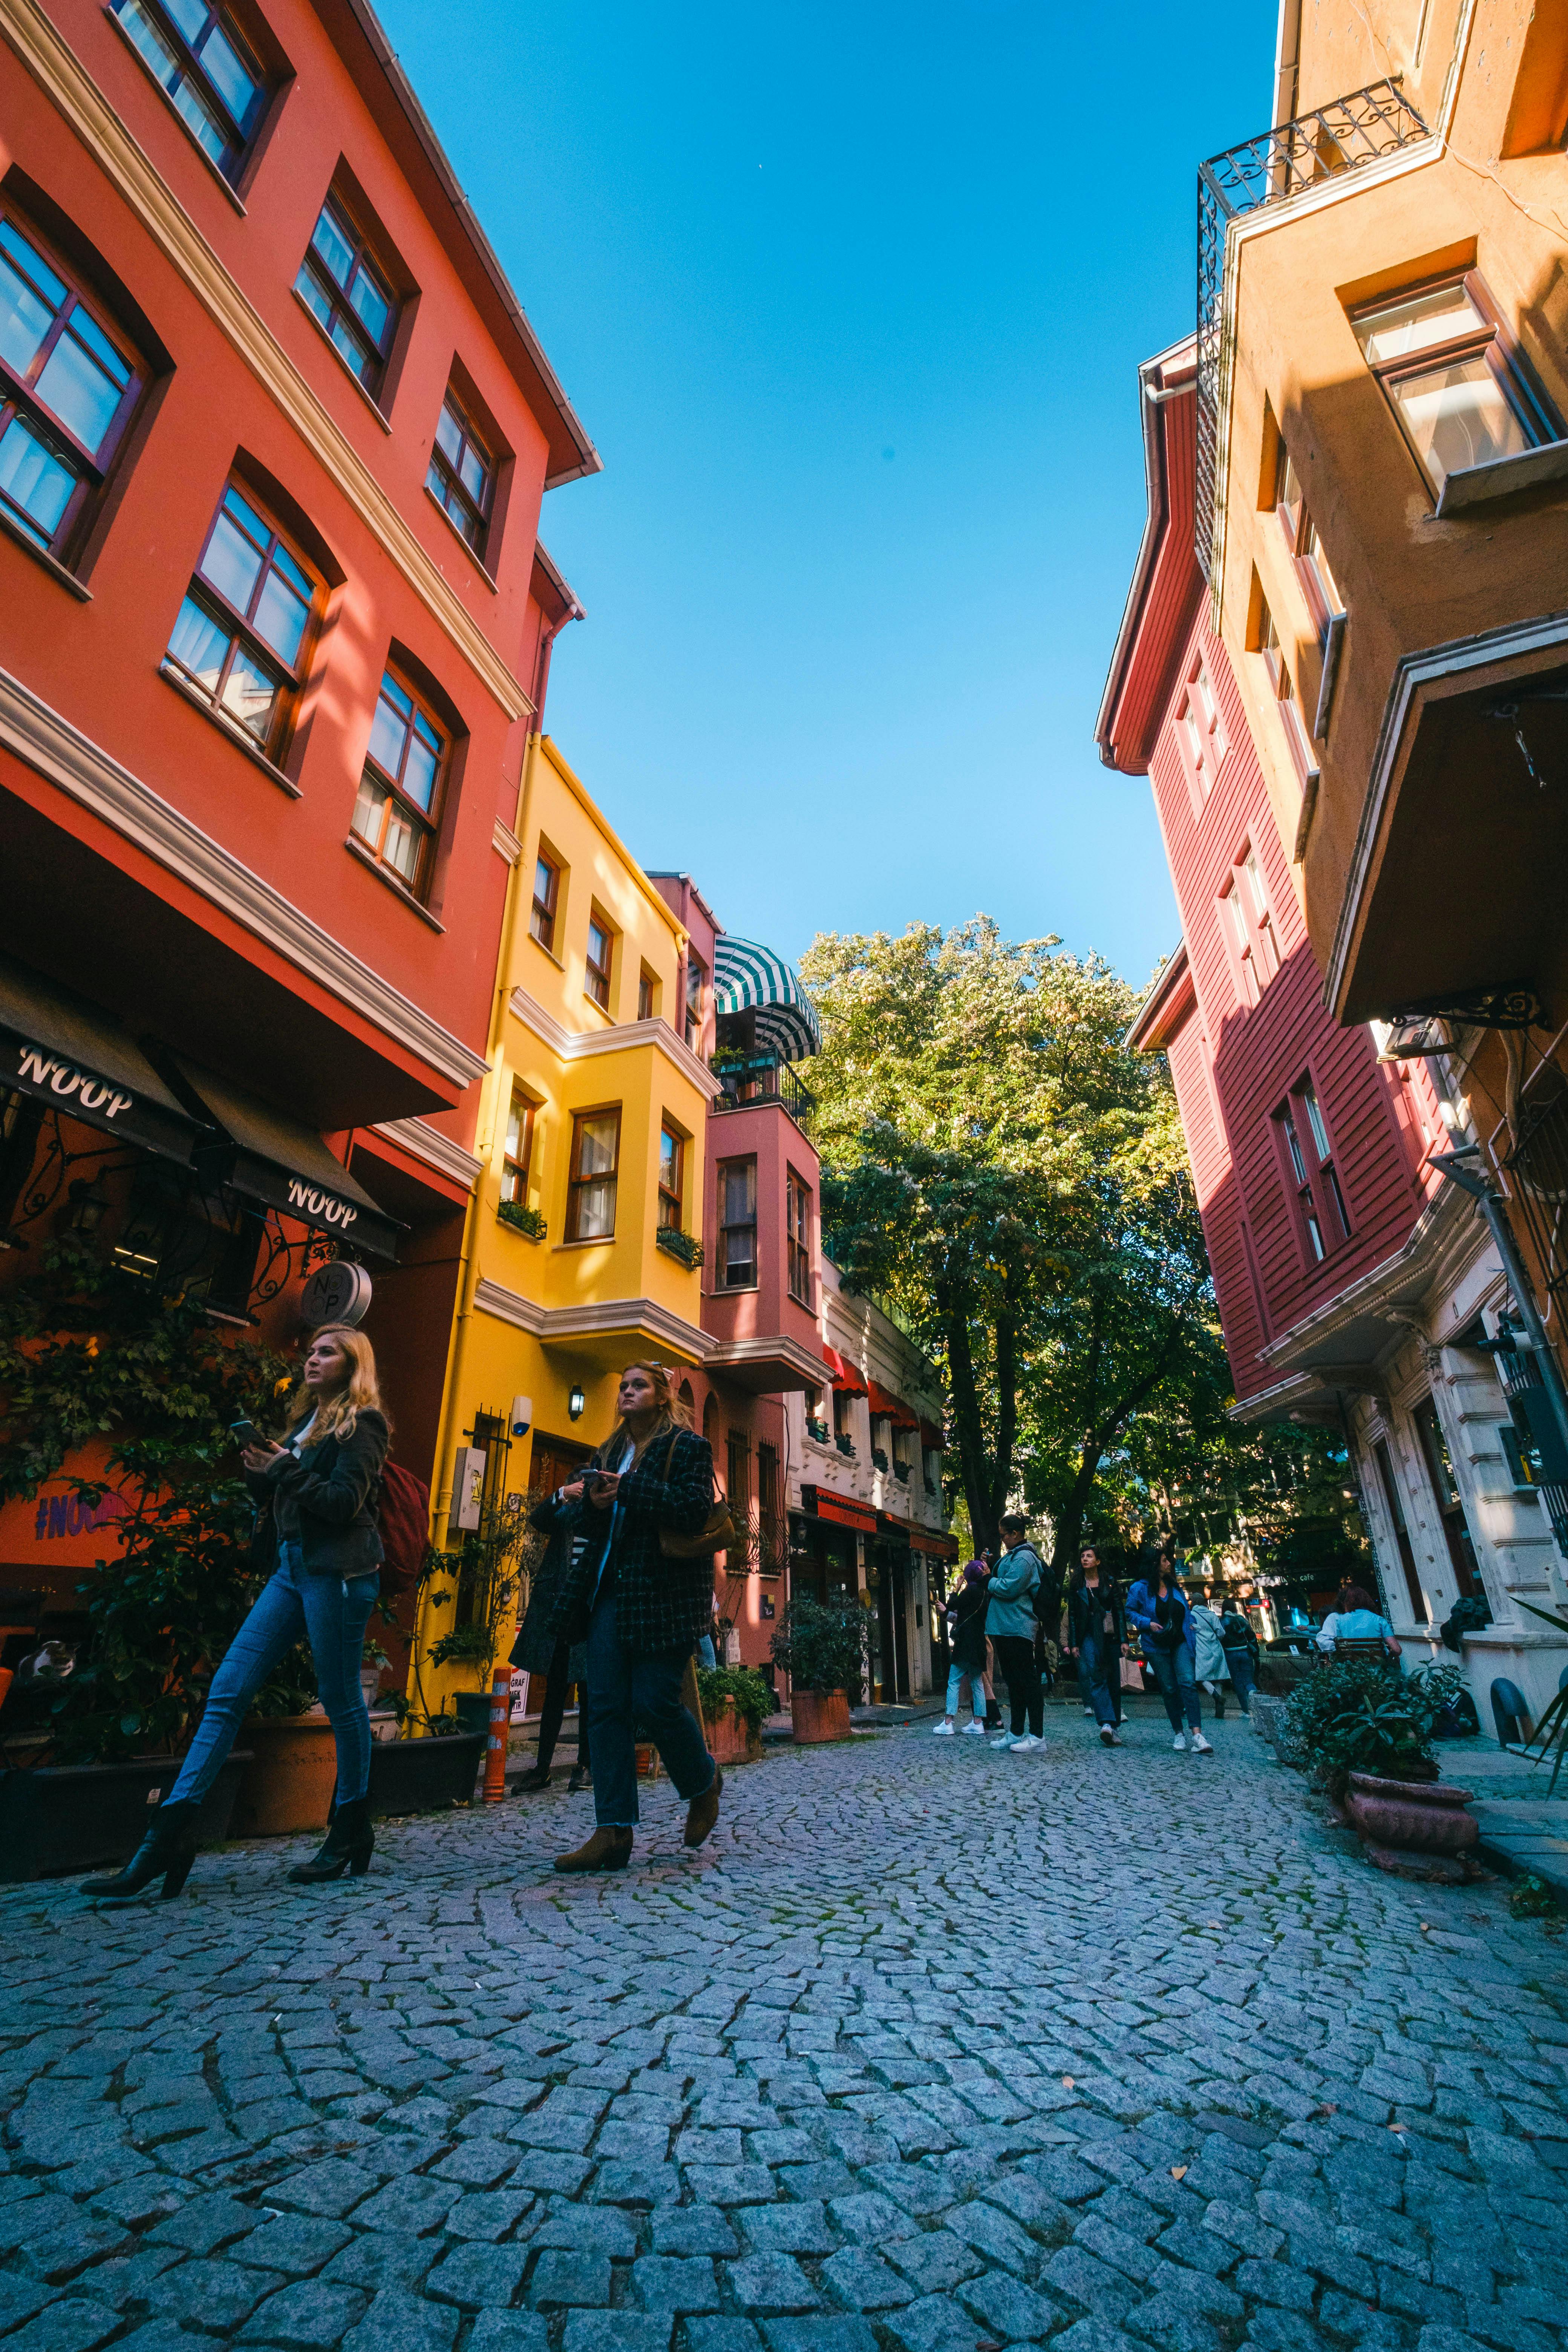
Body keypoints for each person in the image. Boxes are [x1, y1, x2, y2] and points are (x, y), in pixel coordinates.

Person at [84, 1324, 392, 1900]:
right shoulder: (303, 1426)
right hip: (291, 1570)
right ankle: (168, 1838)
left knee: (342, 1699)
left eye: (327, 1352)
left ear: (354, 1365)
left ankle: (350, 1827)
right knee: (227, 1690)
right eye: (311, 1351)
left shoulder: (362, 1426)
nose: (312, 1359)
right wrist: (261, 1474)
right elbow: (285, 1502)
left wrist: (283, 1470)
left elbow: (344, 1503)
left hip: (340, 1577)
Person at [533, 1363, 722, 1873]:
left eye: (637, 1385)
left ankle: (703, 1783)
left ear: (662, 1397)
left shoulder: (687, 1448)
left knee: (654, 1702)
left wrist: (629, 1490)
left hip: (665, 1596)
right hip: (607, 1593)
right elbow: (590, 1525)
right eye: (622, 1386)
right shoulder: (608, 1453)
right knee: (605, 1709)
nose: (625, 1393)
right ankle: (612, 1832)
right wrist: (595, 1501)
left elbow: (692, 1509)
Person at [510, 1508, 593, 1795]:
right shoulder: (566, 1514)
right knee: (554, 1694)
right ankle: (542, 1769)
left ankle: (585, 1766)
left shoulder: (605, 1518)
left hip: (590, 1613)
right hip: (561, 1611)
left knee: (589, 1695)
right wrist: (561, 1496)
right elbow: (538, 1520)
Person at [1127, 1554, 1213, 1755]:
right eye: (1164, 1560)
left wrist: (1191, 1630)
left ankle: (1197, 1734)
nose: (1169, 1564)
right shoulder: (1139, 1588)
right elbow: (1130, 1611)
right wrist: (1147, 1624)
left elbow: (1186, 1614)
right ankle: (1179, 1733)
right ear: (1155, 1564)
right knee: (1169, 1688)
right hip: (1156, 1645)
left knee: (1188, 1684)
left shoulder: (1175, 1588)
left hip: (1180, 1642)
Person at [985, 1514, 1044, 1752]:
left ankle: (1038, 1737)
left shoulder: (1025, 1558)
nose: (1002, 1541)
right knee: (1015, 1683)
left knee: (1027, 1682)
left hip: (1018, 1626)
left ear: (1015, 1534)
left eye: (1003, 1536)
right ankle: (1017, 1732)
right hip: (1005, 1626)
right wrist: (991, 1568)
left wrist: (988, 1579)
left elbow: (1009, 1588)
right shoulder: (1014, 1557)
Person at [1063, 1546, 1126, 1747]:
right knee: (1097, 1675)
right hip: (1088, 1635)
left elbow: (1119, 1611)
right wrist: (1073, 1643)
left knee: (1114, 1680)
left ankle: (1114, 1727)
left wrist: (1125, 1639)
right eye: (1082, 1556)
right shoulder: (1077, 1584)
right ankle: (1106, 1723)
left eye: (1089, 1556)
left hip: (1109, 1634)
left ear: (1098, 1561)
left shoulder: (1109, 1581)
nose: (1085, 1559)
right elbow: (1072, 1615)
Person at [934, 1560, 991, 1735]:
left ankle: (948, 1722)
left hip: (965, 1643)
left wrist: (957, 1589)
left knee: (954, 1681)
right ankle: (978, 1722)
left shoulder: (971, 1591)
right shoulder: (986, 1593)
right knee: (977, 1682)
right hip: (979, 1642)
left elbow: (952, 1605)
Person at [1316, 1583, 1401, 1658]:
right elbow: (1397, 1650)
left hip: (1352, 1668)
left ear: (1347, 1603)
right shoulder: (1379, 1620)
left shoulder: (1340, 1620)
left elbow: (1340, 1646)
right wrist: (1389, 1656)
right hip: (1378, 1667)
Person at [1190, 1590, 1231, 1715]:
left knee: (1201, 1677)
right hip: (1216, 1649)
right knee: (1218, 1678)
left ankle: (1216, 1697)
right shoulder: (1212, 1615)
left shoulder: (1191, 1616)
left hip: (1202, 1650)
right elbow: (1221, 1633)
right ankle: (1219, 1706)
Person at [1218, 1594, 1259, 1717]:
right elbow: (1252, 1637)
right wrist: (1256, 1655)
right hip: (1245, 1652)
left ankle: (1245, 1711)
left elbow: (1220, 1638)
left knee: (1238, 1682)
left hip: (1231, 1654)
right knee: (1248, 1680)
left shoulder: (1222, 1621)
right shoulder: (1241, 1619)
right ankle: (1255, 1702)